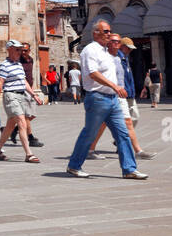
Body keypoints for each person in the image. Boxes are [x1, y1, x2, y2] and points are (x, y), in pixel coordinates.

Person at [66, 20, 146, 179]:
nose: (109, 34)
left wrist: (116, 88)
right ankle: (74, 165)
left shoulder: (106, 52)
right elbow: (93, 73)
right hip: (97, 98)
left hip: (112, 99)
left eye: (110, 31)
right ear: (96, 33)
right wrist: (115, 86)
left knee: (123, 134)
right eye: (106, 31)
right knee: (89, 133)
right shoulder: (90, 50)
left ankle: (129, 169)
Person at [88, 34, 156, 161]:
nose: (116, 44)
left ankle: (138, 151)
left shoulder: (120, 59)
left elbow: (123, 78)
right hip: (107, 95)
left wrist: (127, 90)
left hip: (121, 95)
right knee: (102, 124)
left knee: (128, 122)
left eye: (118, 42)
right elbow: (96, 75)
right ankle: (89, 149)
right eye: (114, 41)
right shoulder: (105, 57)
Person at [0, 40, 45, 163]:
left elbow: (24, 81)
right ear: (9, 50)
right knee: (21, 122)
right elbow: (0, 84)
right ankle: (29, 154)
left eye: (20, 49)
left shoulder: (19, 65)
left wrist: (34, 95)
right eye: (17, 49)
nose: (20, 52)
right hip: (11, 96)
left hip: (21, 96)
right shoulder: (4, 65)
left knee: (10, 126)